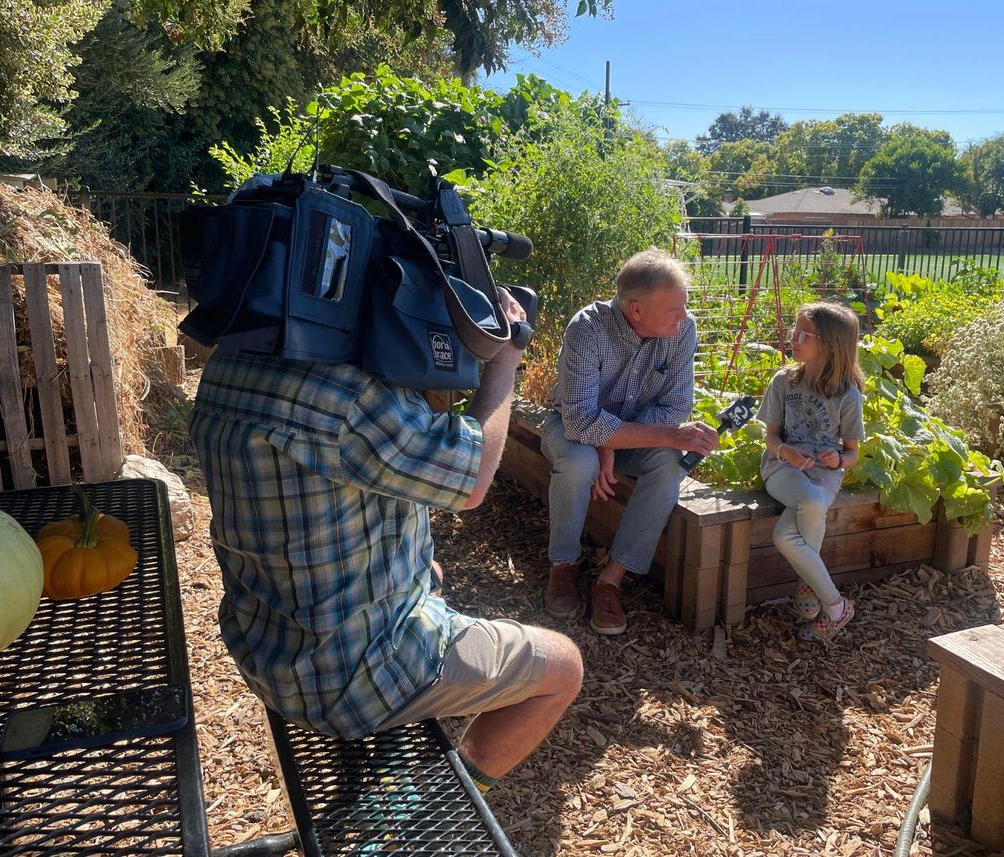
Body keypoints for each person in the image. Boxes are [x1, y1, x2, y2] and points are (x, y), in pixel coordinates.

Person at [190, 287, 583, 795]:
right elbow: (474, 481)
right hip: (344, 680)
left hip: (264, 644)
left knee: (433, 575)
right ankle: (448, 800)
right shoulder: (343, 392)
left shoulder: (230, 361)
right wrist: (505, 359)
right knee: (565, 667)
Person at [542, 248, 718, 635]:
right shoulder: (587, 329)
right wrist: (607, 442)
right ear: (636, 310)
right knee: (579, 462)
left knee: (670, 461)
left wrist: (613, 443)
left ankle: (612, 579)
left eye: (684, 306)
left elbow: (675, 407)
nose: (684, 316)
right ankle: (564, 566)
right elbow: (580, 422)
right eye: (674, 308)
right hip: (568, 428)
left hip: (626, 433)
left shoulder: (681, 331)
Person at [756, 301, 866, 642]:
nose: (795, 338)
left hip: (824, 475)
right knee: (812, 501)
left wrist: (839, 461)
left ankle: (816, 589)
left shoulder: (847, 394)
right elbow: (770, 437)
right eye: (795, 330)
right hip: (781, 469)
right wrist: (785, 450)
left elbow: (851, 454)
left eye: (806, 334)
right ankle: (835, 604)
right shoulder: (784, 381)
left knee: (785, 536)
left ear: (831, 344)